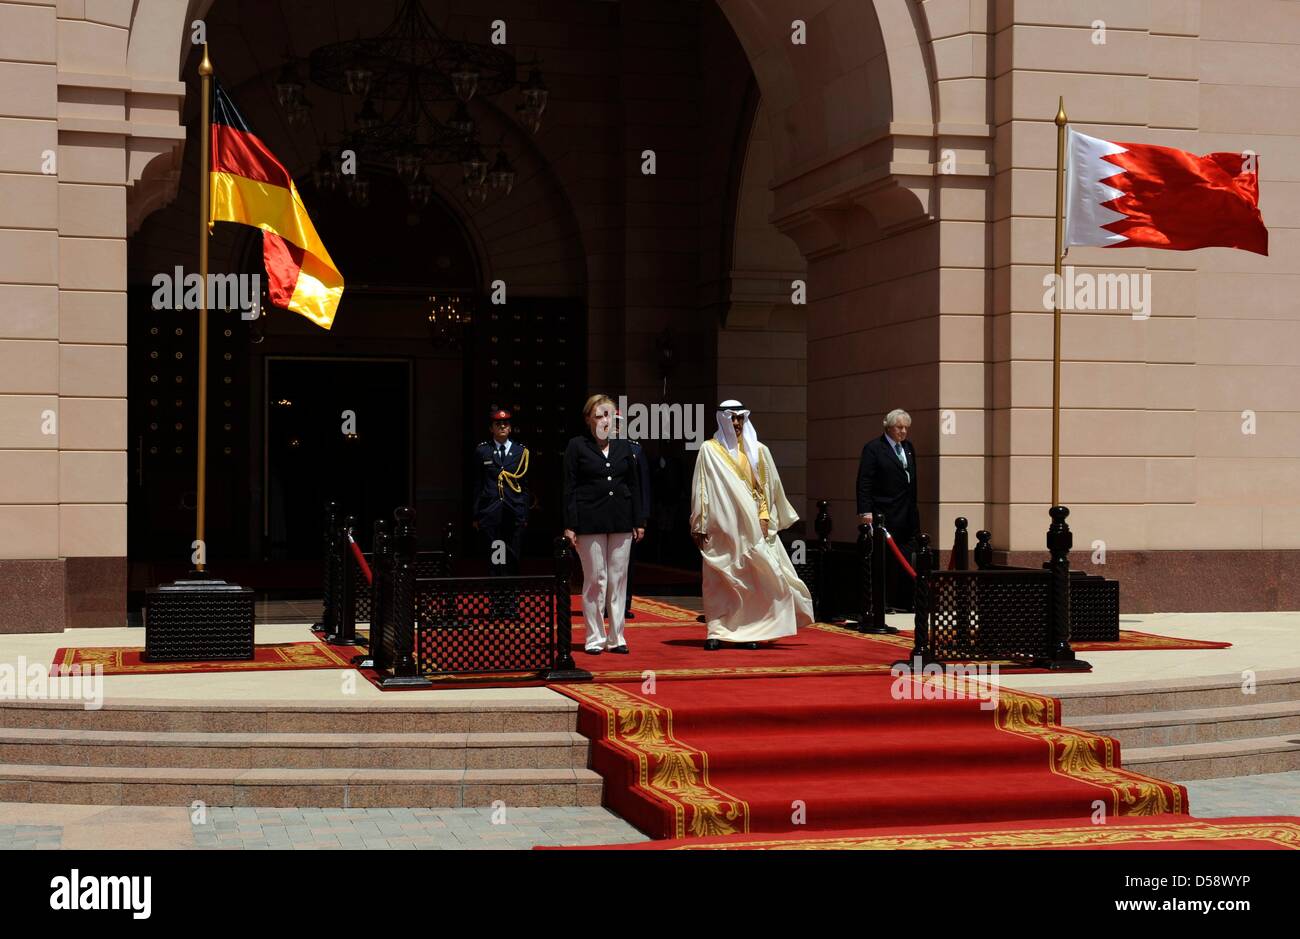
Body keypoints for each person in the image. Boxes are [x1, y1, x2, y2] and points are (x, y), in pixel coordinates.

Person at [690, 399, 813, 649]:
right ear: (722, 419)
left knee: (752, 580)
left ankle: (749, 631)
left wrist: (766, 518)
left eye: (740, 419)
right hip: (720, 527)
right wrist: (699, 523)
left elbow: (766, 489)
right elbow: (701, 488)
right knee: (718, 581)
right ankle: (716, 630)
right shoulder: (709, 450)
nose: (736, 423)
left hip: (753, 526)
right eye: (731, 418)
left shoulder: (759, 451)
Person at [563, 394, 646, 654]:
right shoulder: (577, 446)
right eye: (598, 416)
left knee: (618, 579)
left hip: (621, 520)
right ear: (588, 419)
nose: (603, 421)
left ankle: (617, 637)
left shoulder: (624, 447)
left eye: (607, 415)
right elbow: (569, 487)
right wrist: (570, 524)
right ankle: (595, 637)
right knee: (596, 579)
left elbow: (633, 485)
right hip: (589, 521)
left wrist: (638, 520)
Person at [856, 408, 919, 612]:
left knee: (906, 556)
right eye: (899, 427)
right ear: (888, 427)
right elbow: (864, 481)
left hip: (906, 514)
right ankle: (880, 602)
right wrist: (865, 511)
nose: (903, 432)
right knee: (884, 559)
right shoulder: (874, 448)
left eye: (906, 428)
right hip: (884, 513)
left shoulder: (908, 448)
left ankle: (902, 600)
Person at [472, 407, 529, 576]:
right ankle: (497, 598)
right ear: (491, 428)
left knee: (512, 555)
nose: (502, 427)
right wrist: (476, 515)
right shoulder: (483, 451)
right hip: (491, 511)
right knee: (495, 556)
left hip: (514, 510)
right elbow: (478, 483)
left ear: (510, 428)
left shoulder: (520, 451)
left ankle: (511, 598)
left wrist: (524, 514)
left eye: (505, 424)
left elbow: (524, 486)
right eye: (498, 424)